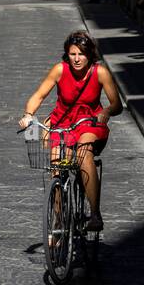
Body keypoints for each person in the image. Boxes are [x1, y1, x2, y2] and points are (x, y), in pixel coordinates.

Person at [18, 30, 121, 233]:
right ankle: (59, 220)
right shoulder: (59, 70)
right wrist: (28, 115)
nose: (76, 59)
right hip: (62, 123)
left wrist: (107, 111)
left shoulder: (99, 73)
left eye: (81, 54)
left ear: (90, 54)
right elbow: (38, 95)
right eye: (72, 54)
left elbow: (117, 104)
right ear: (67, 54)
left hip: (90, 122)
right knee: (56, 164)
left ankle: (95, 214)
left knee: (84, 151)